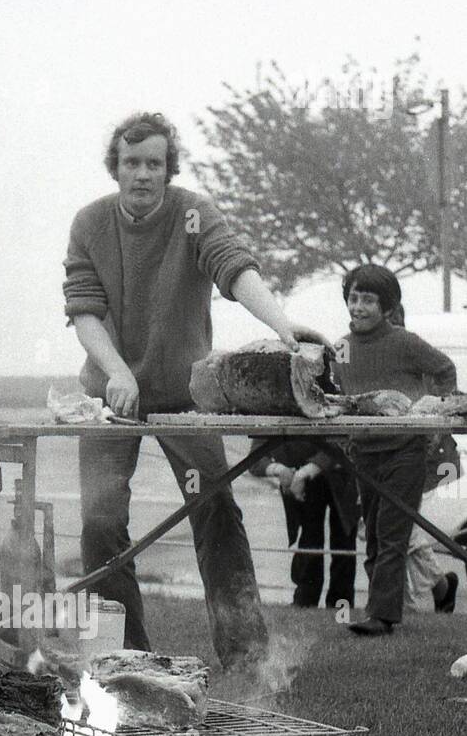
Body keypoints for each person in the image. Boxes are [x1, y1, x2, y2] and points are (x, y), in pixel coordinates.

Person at [62, 111, 326, 669]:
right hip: (110, 398)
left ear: (168, 168)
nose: (142, 174)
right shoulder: (89, 223)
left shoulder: (194, 213)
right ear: (116, 167)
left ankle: (246, 659)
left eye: (153, 163)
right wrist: (117, 372)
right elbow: (85, 313)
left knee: (216, 509)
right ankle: (126, 659)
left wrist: (284, 329)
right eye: (131, 162)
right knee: (101, 524)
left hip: (186, 397)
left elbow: (235, 270)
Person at [330, 265, 457, 635]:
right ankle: (434, 590)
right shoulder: (340, 348)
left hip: (406, 451)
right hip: (364, 454)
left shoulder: (405, 342)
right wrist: (345, 440)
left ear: (387, 307)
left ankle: (382, 617)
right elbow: (337, 397)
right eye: (353, 298)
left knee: (392, 532)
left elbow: (445, 369)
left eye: (368, 300)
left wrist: (434, 415)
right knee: (372, 532)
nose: (358, 307)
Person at [251, 439, 358, 609]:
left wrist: (309, 470)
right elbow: (255, 458)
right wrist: (280, 470)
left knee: (344, 542)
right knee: (309, 538)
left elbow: (343, 442)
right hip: (302, 479)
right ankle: (305, 601)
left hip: (339, 475)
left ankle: (341, 606)